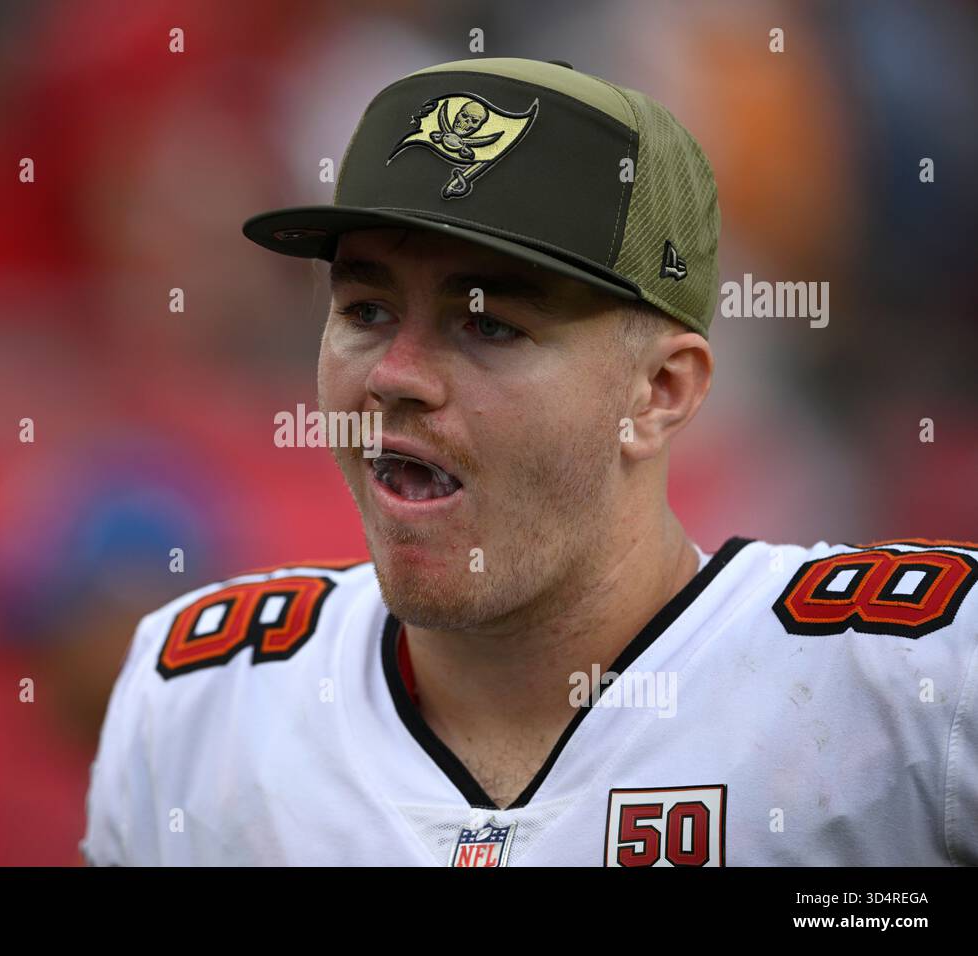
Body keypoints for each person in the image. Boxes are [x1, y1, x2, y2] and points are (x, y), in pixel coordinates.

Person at [82, 58, 977, 866]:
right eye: (364, 309)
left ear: (660, 391)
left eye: (489, 324)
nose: (396, 375)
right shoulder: (199, 695)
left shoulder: (916, 687)